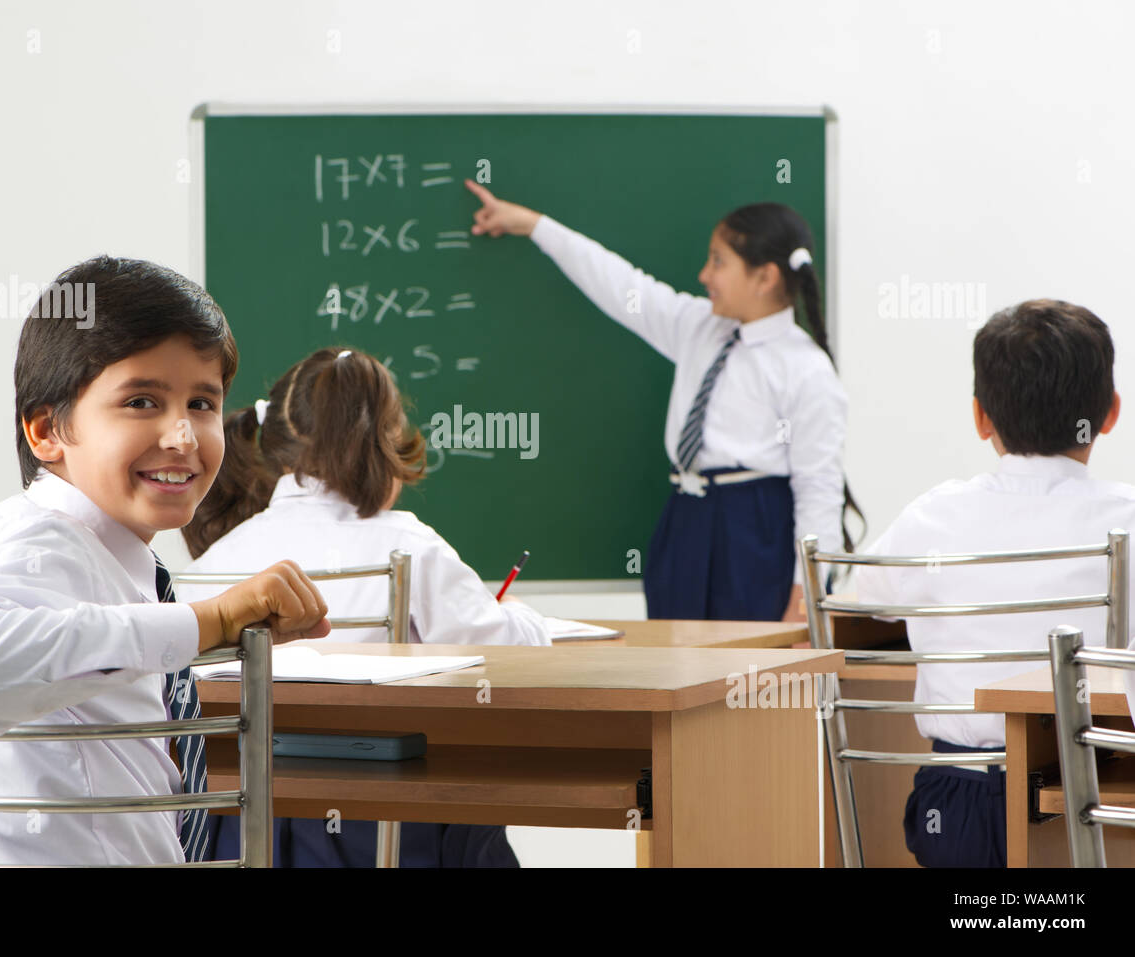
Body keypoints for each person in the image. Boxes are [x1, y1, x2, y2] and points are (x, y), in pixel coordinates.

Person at [0, 256, 329, 865]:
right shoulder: (43, 543)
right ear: (47, 431)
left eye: (203, 404)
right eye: (140, 402)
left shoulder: (36, 542)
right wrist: (207, 622)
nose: (183, 436)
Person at [178, 345, 549, 866]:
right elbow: (514, 654)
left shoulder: (214, 561)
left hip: (233, 828)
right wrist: (528, 620)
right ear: (384, 445)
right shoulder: (406, 544)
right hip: (382, 827)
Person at [465, 181, 860, 622]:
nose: (704, 276)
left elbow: (819, 490)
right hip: (684, 523)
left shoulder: (805, 369)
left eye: (718, 261)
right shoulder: (698, 328)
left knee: (745, 676)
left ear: (765, 277)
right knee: (676, 671)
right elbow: (620, 284)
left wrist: (805, 599)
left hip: (755, 533)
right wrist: (534, 225)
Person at [855, 299, 1135, 868]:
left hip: (959, 801)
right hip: (1100, 795)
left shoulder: (935, 517)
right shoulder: (1125, 520)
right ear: (1109, 412)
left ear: (981, 417)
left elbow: (860, 600)